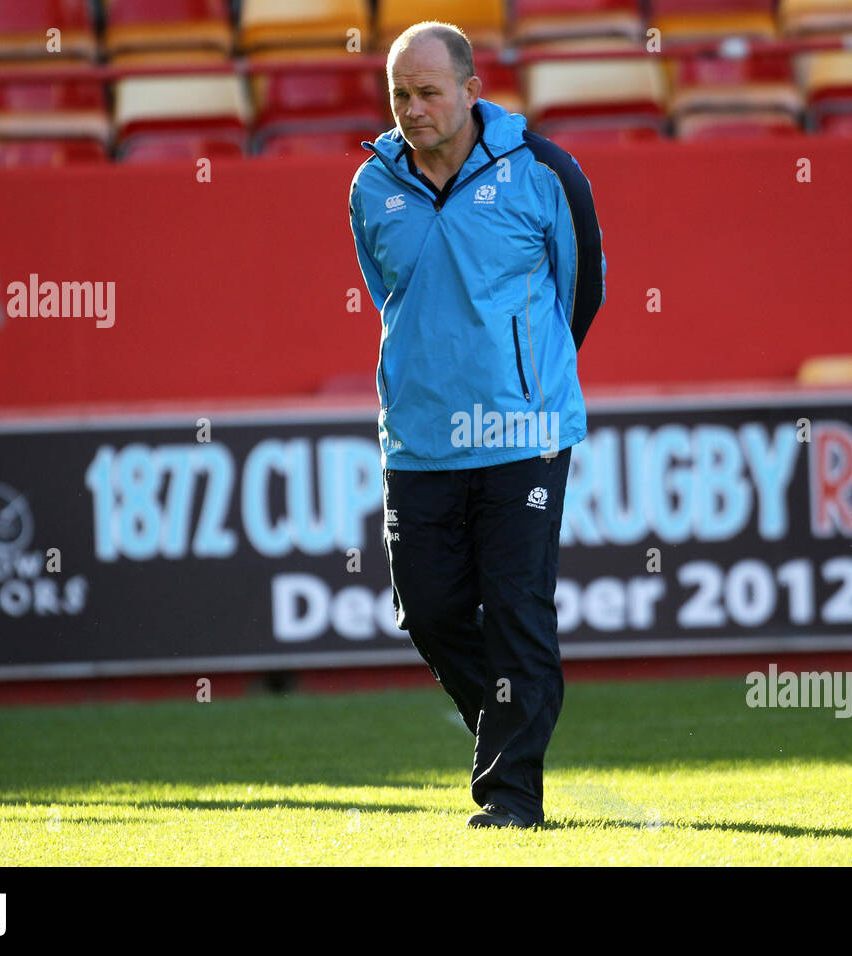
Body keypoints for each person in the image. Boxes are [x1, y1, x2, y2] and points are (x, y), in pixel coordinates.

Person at [347, 20, 605, 829]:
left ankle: (511, 798)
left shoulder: (545, 173)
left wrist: (523, 379)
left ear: (471, 90)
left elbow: (582, 290)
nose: (413, 109)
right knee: (428, 610)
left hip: (522, 436)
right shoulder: (370, 187)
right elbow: (391, 292)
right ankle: (509, 720)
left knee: (518, 607)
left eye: (428, 92)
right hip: (420, 440)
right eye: (400, 95)